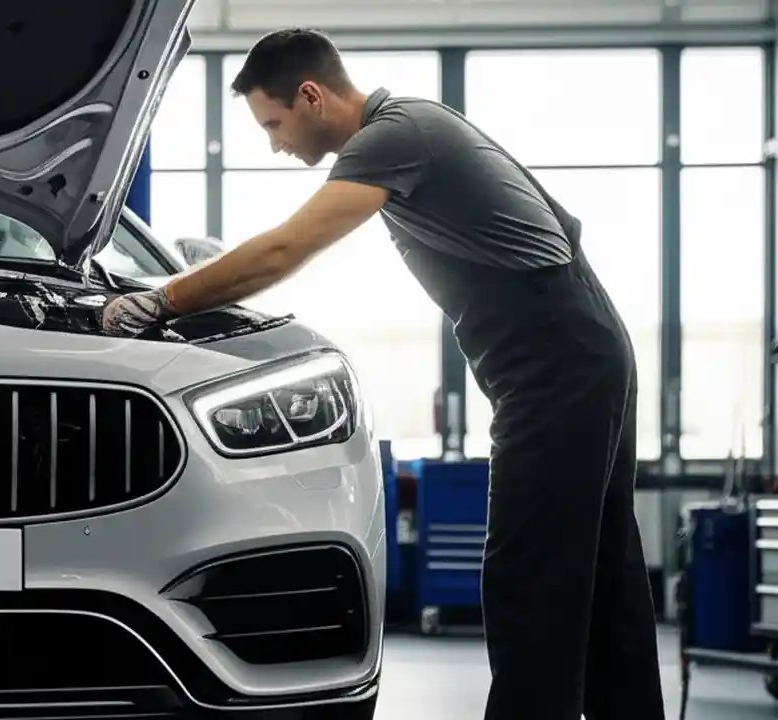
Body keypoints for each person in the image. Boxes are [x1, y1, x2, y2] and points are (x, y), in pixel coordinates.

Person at [102, 28, 664, 720]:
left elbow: (284, 249)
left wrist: (160, 300)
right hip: (587, 345)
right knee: (606, 574)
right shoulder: (418, 127)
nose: (275, 144)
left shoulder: (394, 136)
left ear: (312, 96)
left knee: (531, 574)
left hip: (560, 362)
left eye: (274, 123)